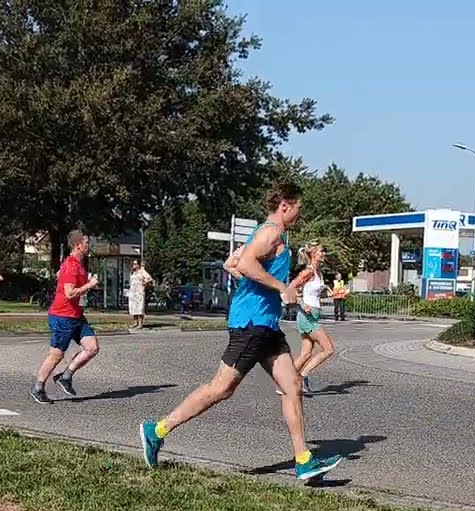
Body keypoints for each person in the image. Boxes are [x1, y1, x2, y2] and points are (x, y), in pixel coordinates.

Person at [138, 183, 342, 481]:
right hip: (251, 324)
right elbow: (245, 263)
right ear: (285, 204)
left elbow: (237, 262)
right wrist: (281, 287)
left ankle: (304, 460)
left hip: (267, 326)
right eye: (298, 207)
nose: (300, 213)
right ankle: (156, 430)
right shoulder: (270, 231)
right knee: (221, 389)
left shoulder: (275, 234)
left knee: (293, 384)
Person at [31, 230, 99, 404]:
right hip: (62, 316)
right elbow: (69, 293)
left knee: (92, 347)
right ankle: (38, 387)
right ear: (78, 245)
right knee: (56, 354)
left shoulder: (77, 264)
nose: (88, 246)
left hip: (76, 315)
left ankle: (66, 376)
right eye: (86, 243)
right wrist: (89, 285)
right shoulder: (70, 265)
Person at [286, 244, 334, 395]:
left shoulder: (317, 271)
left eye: (324, 251)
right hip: (307, 317)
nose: (324, 253)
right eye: (321, 251)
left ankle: (284, 382)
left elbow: (312, 293)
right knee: (328, 349)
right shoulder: (308, 271)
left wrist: (328, 293)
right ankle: (302, 377)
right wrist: (301, 302)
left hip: (312, 314)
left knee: (306, 354)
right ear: (313, 254)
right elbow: (291, 287)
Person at [127, 259, 154, 329]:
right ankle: (135, 322)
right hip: (133, 292)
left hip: (139, 292)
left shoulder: (142, 271)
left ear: (138, 265)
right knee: (133, 308)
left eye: (135, 264)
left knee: (139, 308)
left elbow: (150, 279)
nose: (134, 265)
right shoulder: (132, 273)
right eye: (133, 264)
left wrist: (145, 283)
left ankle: (140, 324)